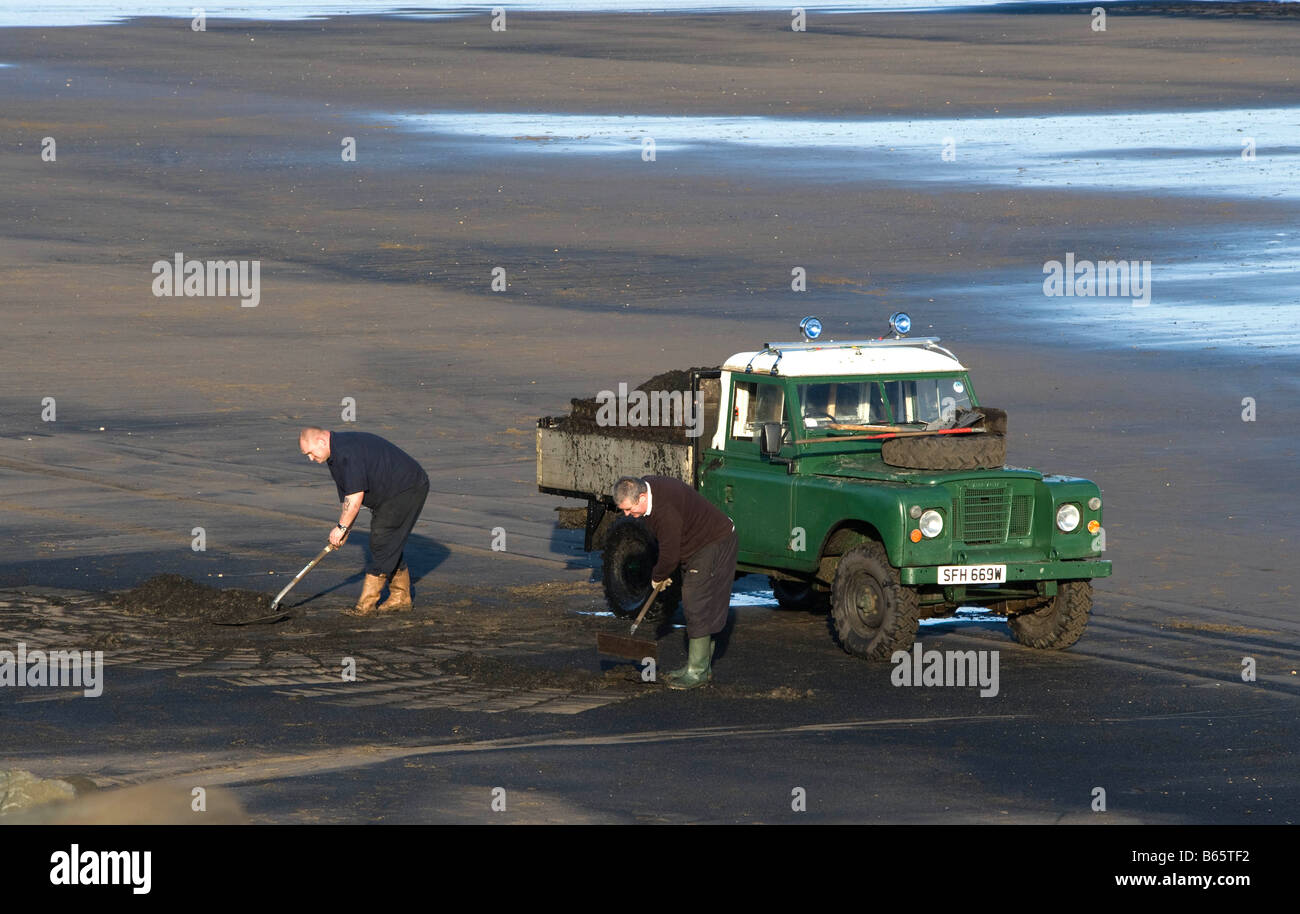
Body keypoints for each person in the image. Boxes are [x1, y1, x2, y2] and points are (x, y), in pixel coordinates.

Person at [613, 475, 738, 689]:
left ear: (642, 497)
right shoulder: (646, 490)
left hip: (715, 542)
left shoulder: (664, 510)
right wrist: (665, 570)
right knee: (696, 600)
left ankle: (697, 672)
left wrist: (658, 576)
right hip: (694, 545)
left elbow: (670, 554)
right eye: (623, 510)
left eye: (629, 509)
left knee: (695, 601)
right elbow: (666, 543)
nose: (627, 515)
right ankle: (700, 667)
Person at [299, 427, 429, 616]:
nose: (310, 458)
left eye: (310, 452)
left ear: (321, 441)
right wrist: (346, 530)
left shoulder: (346, 453)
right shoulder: (334, 456)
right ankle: (401, 597)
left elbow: (355, 496)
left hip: (407, 487)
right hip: (388, 493)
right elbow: (347, 498)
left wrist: (341, 527)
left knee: (381, 538)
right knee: (386, 542)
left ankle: (366, 606)